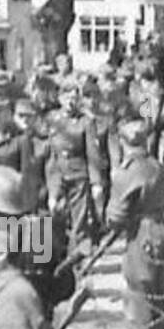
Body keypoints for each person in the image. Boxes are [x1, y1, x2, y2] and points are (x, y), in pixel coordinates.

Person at [106, 110, 164, 329]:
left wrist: (110, 221)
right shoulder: (157, 165)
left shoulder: (128, 173)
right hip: (162, 230)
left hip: (141, 232)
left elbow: (116, 215)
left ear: (123, 143)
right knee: (158, 291)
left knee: (139, 291)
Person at [45, 79, 104, 251]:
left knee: (79, 222)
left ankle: (76, 260)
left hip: (79, 176)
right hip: (57, 175)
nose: (70, 102)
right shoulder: (52, 119)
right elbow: (50, 154)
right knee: (57, 219)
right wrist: (52, 190)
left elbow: (92, 153)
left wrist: (96, 183)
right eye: (66, 97)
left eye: (74, 98)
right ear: (60, 98)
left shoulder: (85, 122)